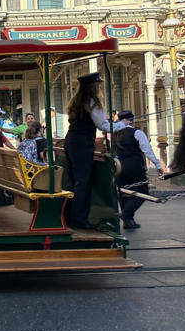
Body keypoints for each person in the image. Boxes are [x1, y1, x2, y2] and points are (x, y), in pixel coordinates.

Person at [64, 72, 125, 229]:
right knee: (83, 182)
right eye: (98, 84)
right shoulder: (92, 102)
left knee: (73, 182)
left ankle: (68, 217)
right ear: (94, 86)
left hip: (71, 140)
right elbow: (103, 125)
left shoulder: (77, 102)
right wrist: (122, 124)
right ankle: (79, 220)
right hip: (83, 143)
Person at [114, 110, 163, 229]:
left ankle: (129, 221)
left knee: (125, 193)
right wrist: (158, 165)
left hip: (119, 167)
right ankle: (126, 214)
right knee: (142, 192)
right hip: (135, 167)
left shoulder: (115, 134)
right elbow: (147, 150)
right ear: (132, 120)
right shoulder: (137, 133)